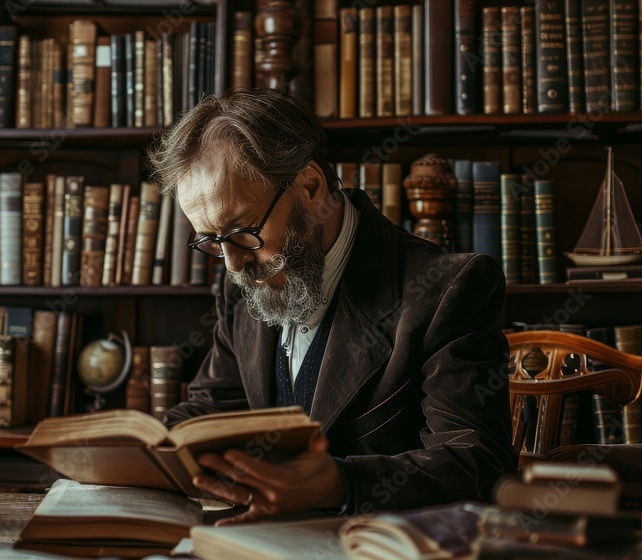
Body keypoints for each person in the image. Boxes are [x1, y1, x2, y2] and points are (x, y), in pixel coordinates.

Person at [147, 88, 517, 525]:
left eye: (243, 230)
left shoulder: (448, 289)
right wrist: (141, 450)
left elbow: (477, 464)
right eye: (211, 241)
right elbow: (213, 409)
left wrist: (341, 484)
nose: (232, 265)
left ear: (310, 186)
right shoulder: (247, 277)